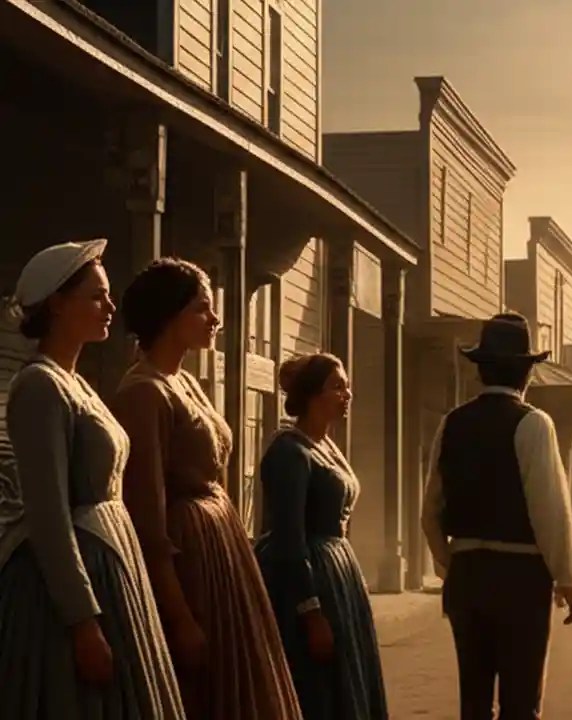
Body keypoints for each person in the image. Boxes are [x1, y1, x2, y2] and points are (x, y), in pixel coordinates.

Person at [0, 239, 186, 718]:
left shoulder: (76, 382)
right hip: (77, 577)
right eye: (96, 296)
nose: (110, 306)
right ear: (58, 304)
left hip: (113, 563)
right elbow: (48, 515)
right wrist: (83, 620)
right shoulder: (39, 385)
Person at [111, 258, 303, 719]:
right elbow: (147, 517)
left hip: (223, 550)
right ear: (170, 315)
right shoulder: (144, 392)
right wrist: (178, 614)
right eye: (202, 309)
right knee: (203, 684)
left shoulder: (188, 383)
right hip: (190, 556)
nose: (214, 320)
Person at [421, 312, 572, 720]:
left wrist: (450, 564)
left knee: (474, 702)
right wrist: (568, 579)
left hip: (467, 575)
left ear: (481, 370)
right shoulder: (533, 424)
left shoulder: (452, 423)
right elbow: (550, 510)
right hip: (520, 579)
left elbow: (431, 511)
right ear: (526, 373)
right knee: (520, 702)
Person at [255, 353, 388, 720]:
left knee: (347, 680)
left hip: (338, 574)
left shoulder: (326, 445)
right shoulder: (289, 451)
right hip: (309, 577)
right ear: (313, 393)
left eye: (347, 386)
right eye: (337, 386)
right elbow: (288, 538)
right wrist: (310, 610)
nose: (346, 394)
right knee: (317, 686)